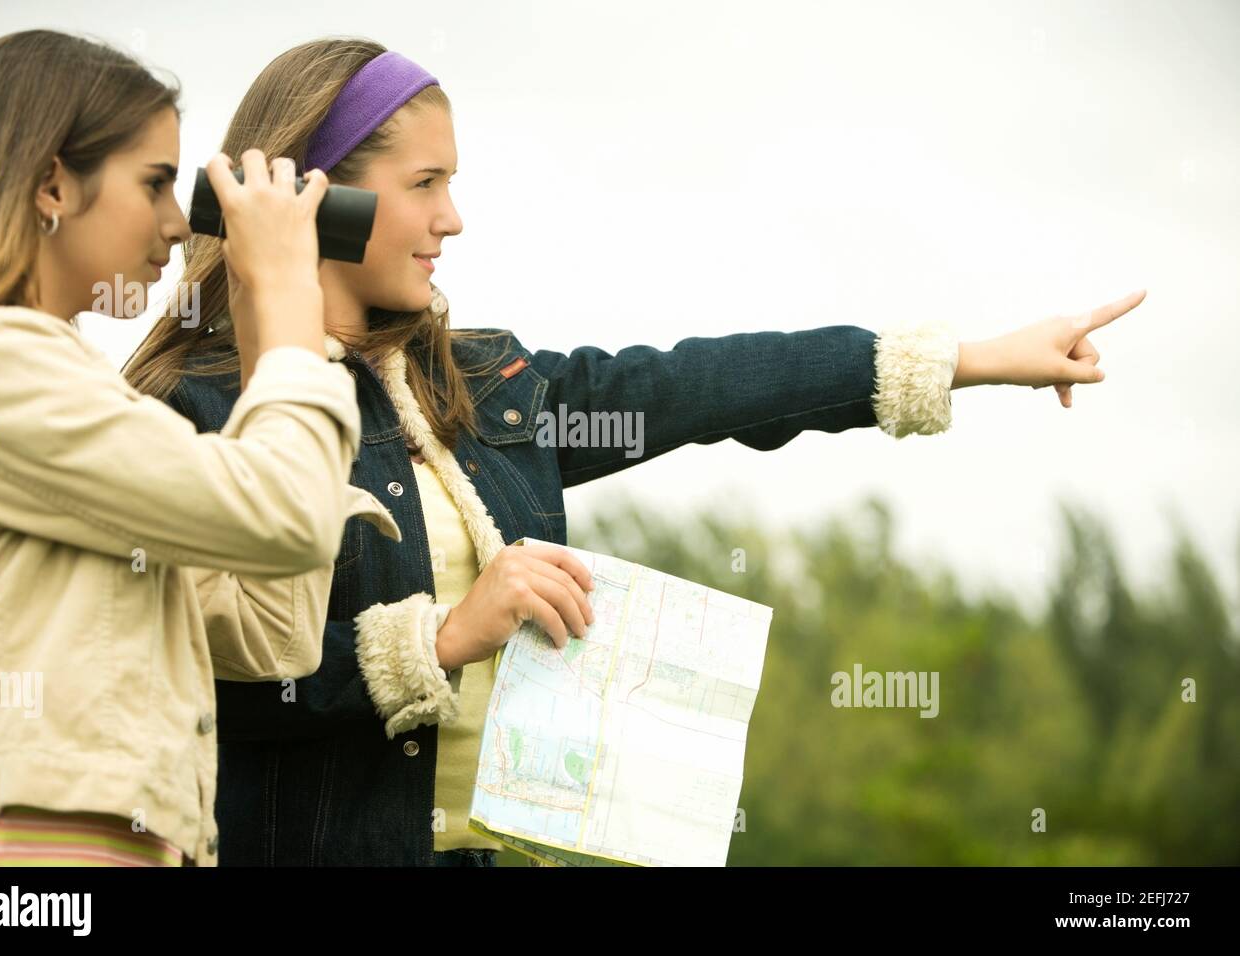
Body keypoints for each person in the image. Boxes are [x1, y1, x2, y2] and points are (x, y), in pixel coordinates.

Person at [125, 37, 1145, 867]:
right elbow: (207, 685)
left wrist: (967, 359)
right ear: (317, 197)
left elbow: (698, 384)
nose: (453, 217)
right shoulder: (199, 407)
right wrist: (436, 637)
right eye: (425, 181)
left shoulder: (487, 383)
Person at [0, 30, 400, 867]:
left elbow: (272, 636)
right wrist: (295, 289)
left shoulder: (67, 391)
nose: (177, 222)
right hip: (37, 857)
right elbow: (288, 515)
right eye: (156, 182)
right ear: (51, 184)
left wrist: (268, 337)